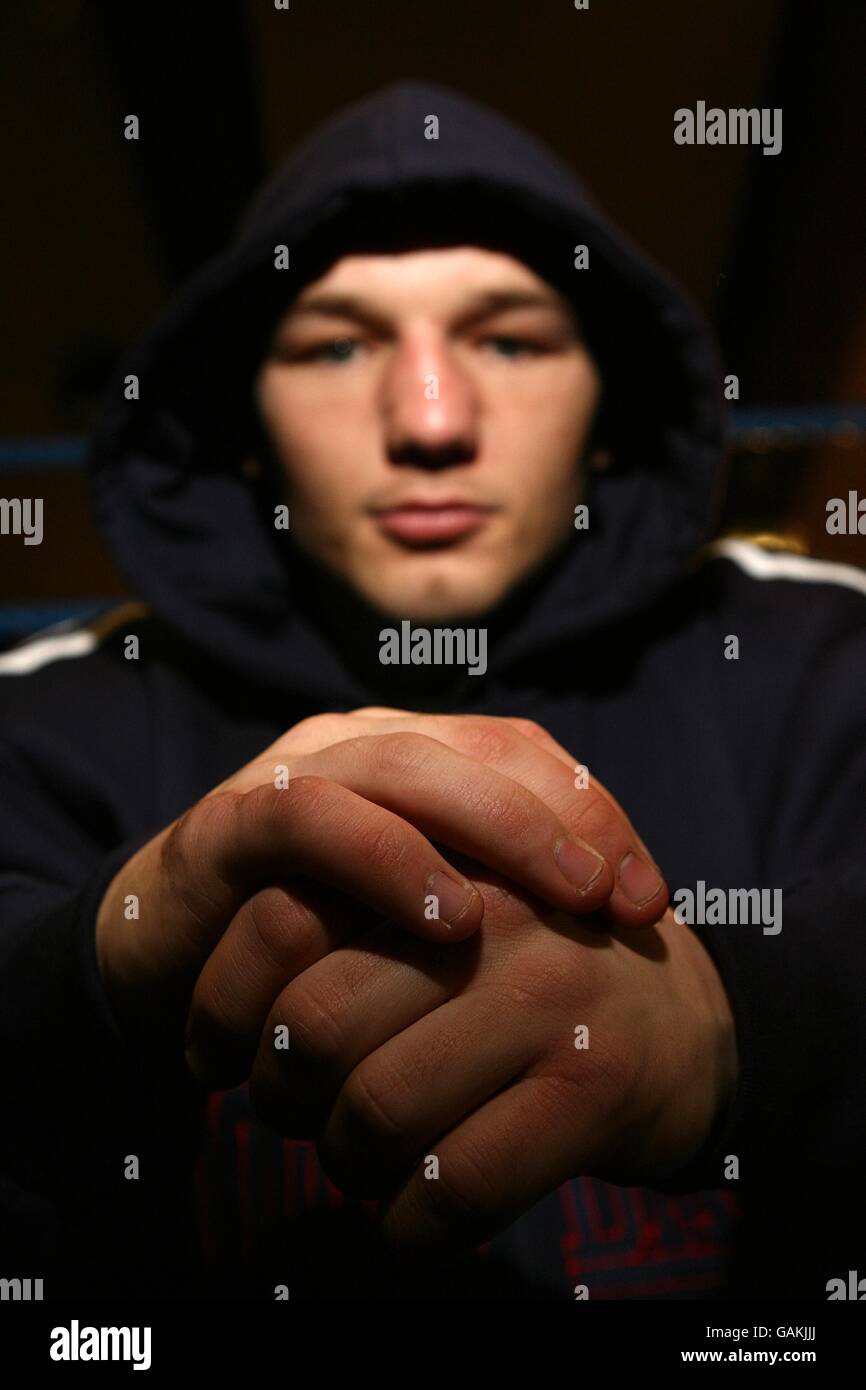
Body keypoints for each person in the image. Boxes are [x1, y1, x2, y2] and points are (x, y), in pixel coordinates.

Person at [1, 80, 864, 1303]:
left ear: (608, 411)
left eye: (508, 338)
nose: (429, 420)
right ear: (247, 426)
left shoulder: (819, 646)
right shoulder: (55, 708)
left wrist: (727, 1024)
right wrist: (102, 957)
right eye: (336, 344)